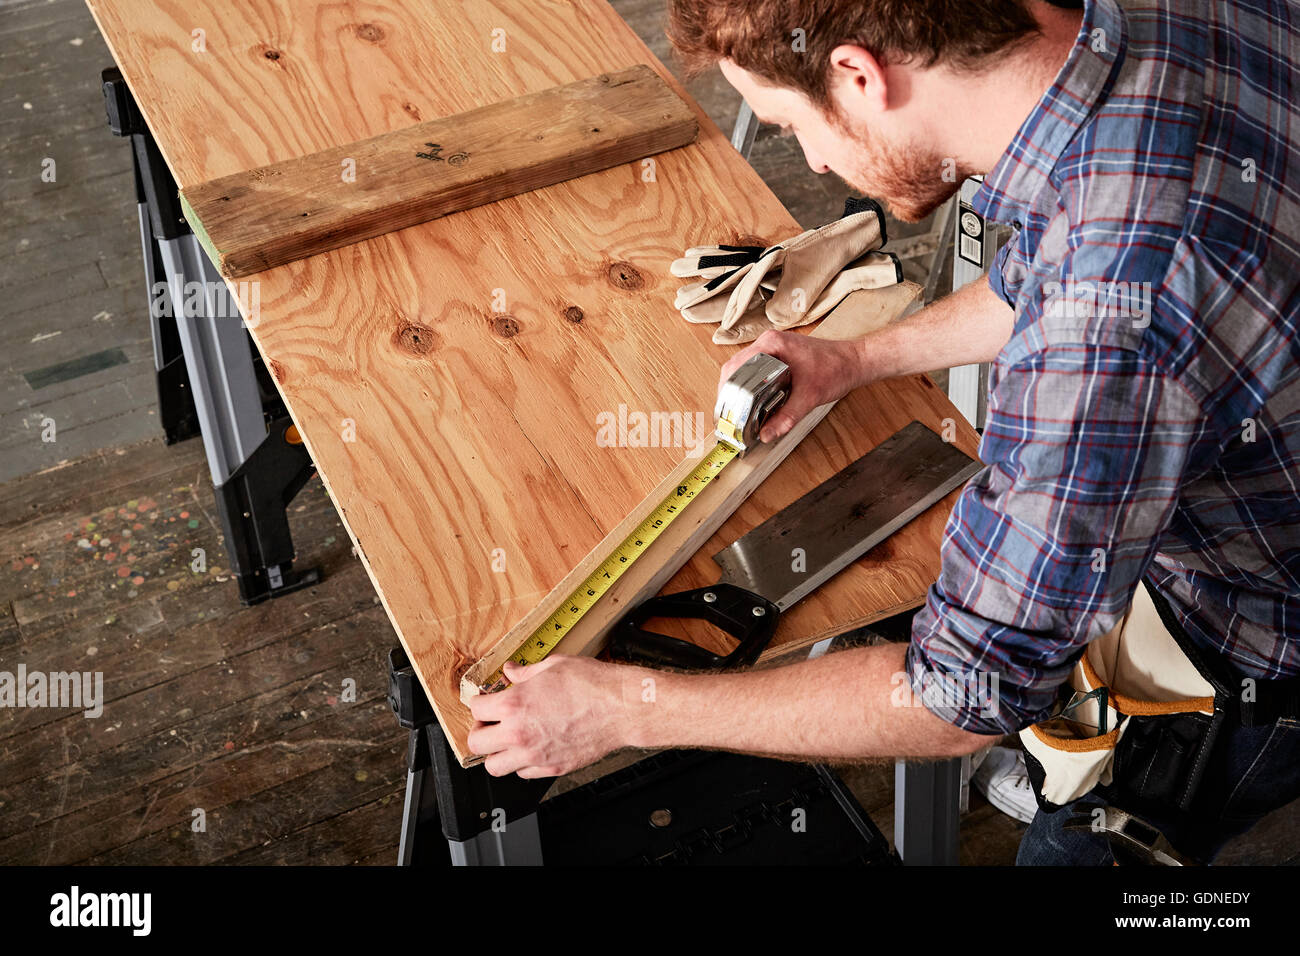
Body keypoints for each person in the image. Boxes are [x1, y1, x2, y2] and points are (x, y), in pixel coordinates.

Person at [468, 0, 1300, 864]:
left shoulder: (1103, 335)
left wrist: (624, 709)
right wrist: (857, 358)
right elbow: (1046, 275)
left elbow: (958, 698)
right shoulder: (1152, 26)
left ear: (858, 75)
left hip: (1258, 639)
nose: (818, 163)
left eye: (795, 127)